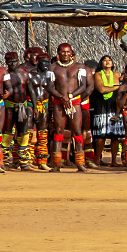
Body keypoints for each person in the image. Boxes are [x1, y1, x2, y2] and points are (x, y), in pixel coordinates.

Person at [49, 43, 90, 172]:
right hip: (58, 103)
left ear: (71, 53)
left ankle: (80, 163)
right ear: (58, 53)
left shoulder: (80, 67)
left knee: (77, 131)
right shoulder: (52, 68)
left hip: (74, 102)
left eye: (68, 52)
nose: (66, 54)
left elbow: (83, 86)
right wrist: (62, 97)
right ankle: (56, 164)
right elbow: (50, 87)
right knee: (59, 131)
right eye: (63, 52)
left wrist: (70, 96)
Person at [90, 55, 123, 167]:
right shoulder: (97, 75)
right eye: (105, 60)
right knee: (101, 135)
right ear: (101, 63)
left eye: (109, 60)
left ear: (112, 63)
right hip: (101, 105)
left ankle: (114, 161)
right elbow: (102, 89)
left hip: (115, 105)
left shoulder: (117, 75)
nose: (107, 62)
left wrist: (118, 86)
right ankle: (98, 159)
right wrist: (117, 86)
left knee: (115, 135)